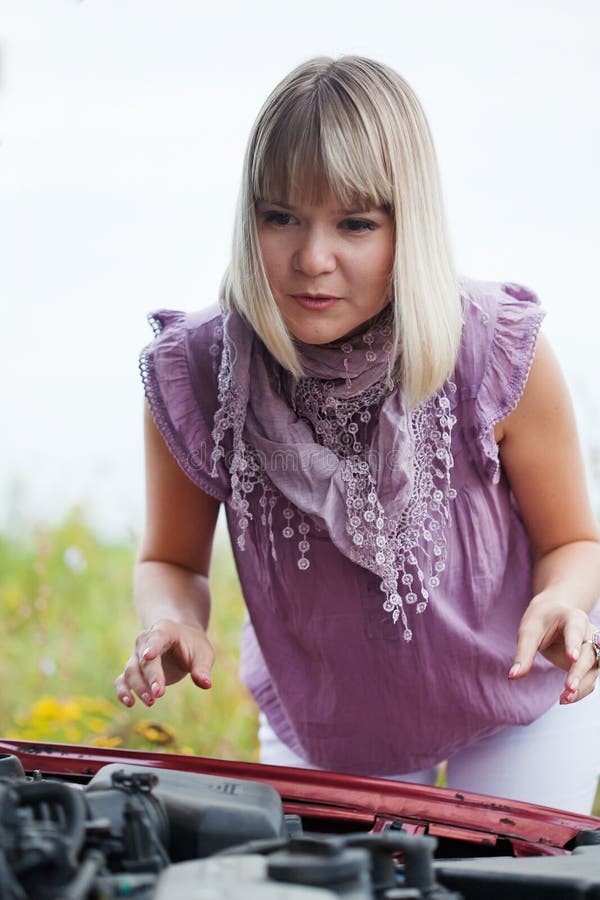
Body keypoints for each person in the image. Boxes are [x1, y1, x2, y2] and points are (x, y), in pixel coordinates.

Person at [114, 56, 600, 813]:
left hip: (522, 704)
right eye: (281, 217)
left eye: (356, 224)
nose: (313, 259)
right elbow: (171, 560)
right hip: (331, 726)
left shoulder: (500, 349)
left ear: (411, 224)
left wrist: (565, 601)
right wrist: (172, 620)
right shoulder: (198, 370)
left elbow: (576, 541)